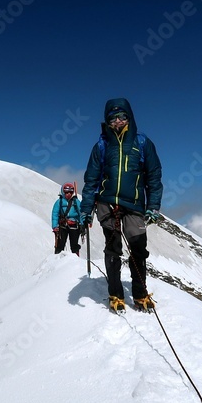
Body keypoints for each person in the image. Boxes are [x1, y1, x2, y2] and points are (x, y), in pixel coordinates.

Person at [79, 98, 163, 312]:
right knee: (113, 248)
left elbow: (153, 177)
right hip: (107, 204)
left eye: (122, 116)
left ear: (129, 117)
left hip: (135, 205)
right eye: (113, 118)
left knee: (138, 247)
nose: (118, 121)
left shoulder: (143, 143)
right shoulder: (101, 146)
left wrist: (153, 207)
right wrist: (86, 211)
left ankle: (140, 294)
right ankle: (115, 294)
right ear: (107, 121)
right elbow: (91, 182)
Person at [51, 182, 83, 256]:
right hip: (63, 225)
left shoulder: (76, 201)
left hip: (74, 225)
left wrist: (82, 224)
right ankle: (57, 258)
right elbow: (55, 214)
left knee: (74, 245)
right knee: (60, 244)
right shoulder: (59, 202)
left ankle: (76, 259)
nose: (68, 194)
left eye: (70, 192)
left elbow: (81, 213)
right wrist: (55, 226)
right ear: (63, 192)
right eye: (66, 192)